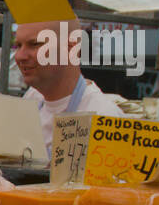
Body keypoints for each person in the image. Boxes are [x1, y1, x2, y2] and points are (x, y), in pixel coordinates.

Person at [13, 20, 124, 159]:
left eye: (35, 44)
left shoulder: (104, 119)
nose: (19, 56)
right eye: (18, 45)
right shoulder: (32, 98)